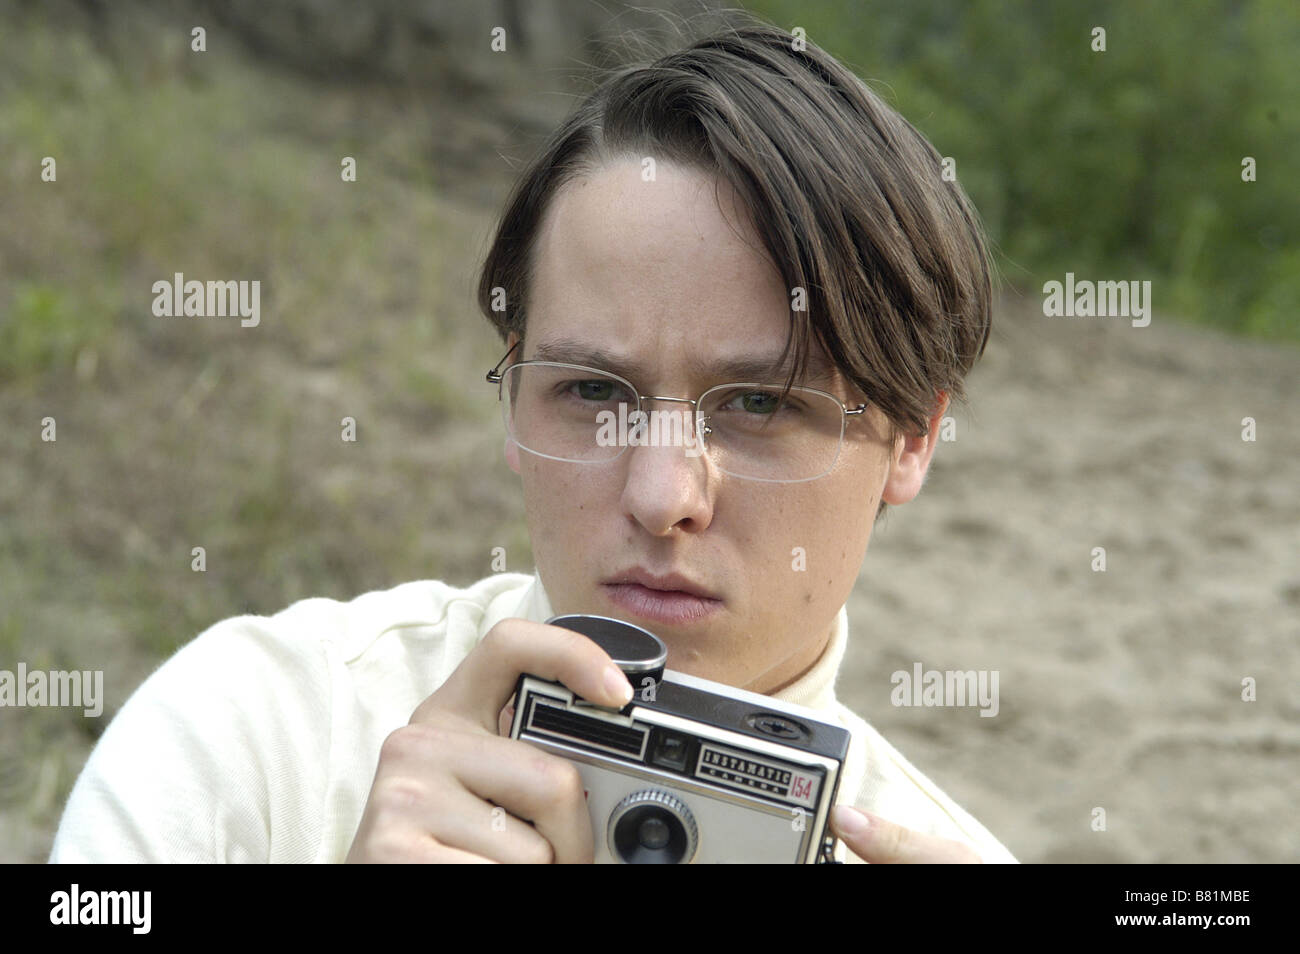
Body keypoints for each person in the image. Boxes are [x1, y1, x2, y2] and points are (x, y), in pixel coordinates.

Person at [50, 19, 1015, 864]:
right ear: (515, 399)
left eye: (759, 405)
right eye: (593, 391)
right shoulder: (256, 742)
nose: (661, 493)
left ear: (914, 438)